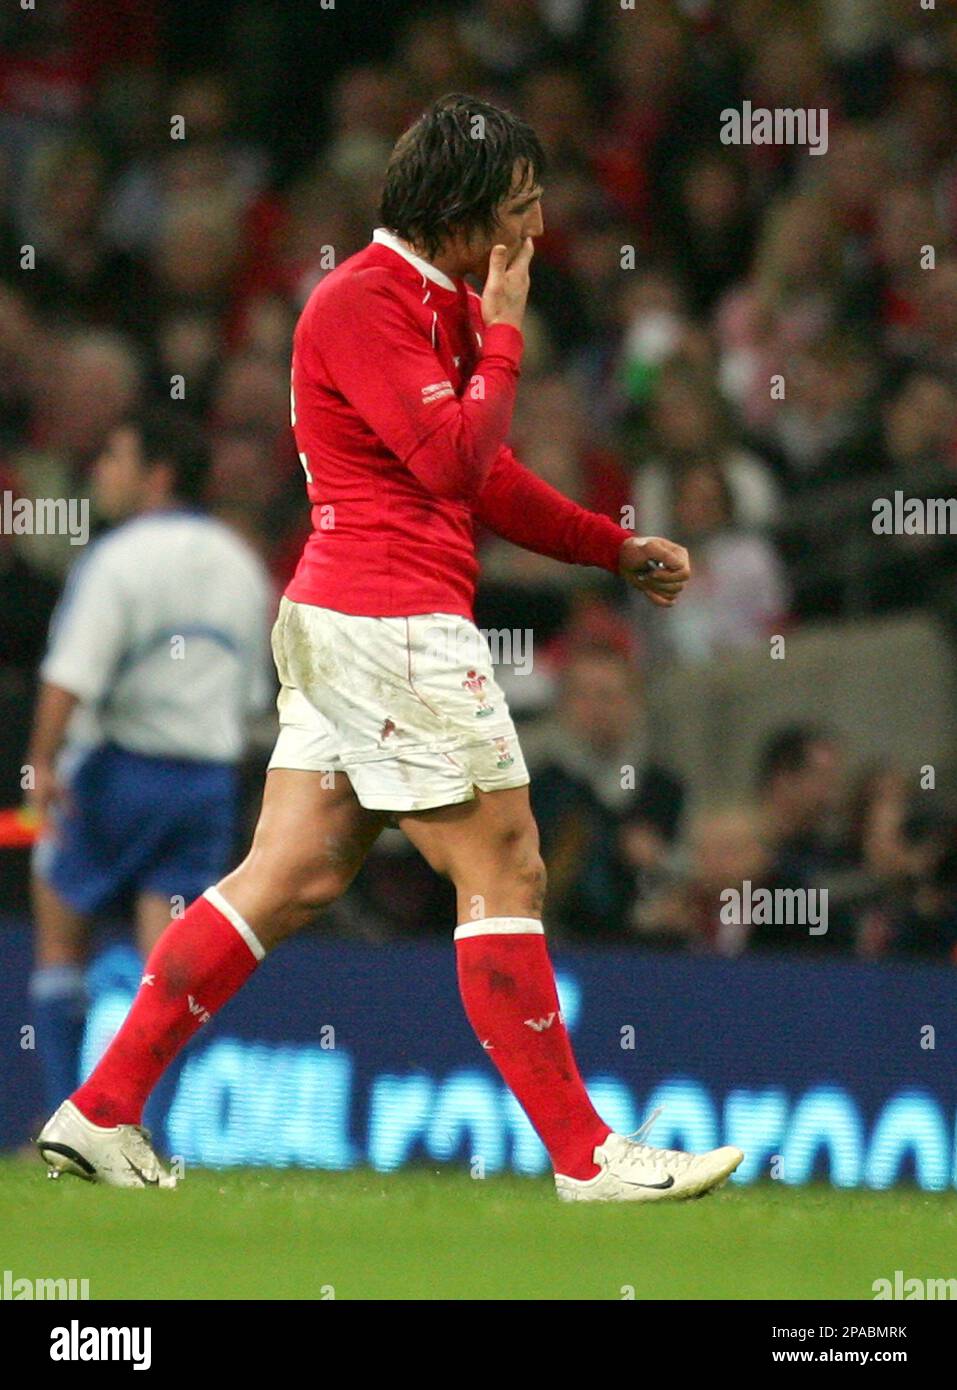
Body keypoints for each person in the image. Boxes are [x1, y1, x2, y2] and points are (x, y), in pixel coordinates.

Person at [37, 94, 742, 1201]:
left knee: (292, 870)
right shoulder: (360, 302)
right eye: (518, 207)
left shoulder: (434, 301)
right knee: (504, 860)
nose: (538, 228)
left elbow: (489, 475)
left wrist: (609, 547)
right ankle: (587, 1155)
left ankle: (102, 1107)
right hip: (387, 622)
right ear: (459, 213)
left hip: (358, 620)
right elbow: (454, 463)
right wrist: (505, 334)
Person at [27, 409, 273, 1120]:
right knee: (168, 966)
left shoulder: (118, 558)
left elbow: (70, 674)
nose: (102, 469)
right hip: (205, 783)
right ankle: (139, 1127)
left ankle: (59, 1115)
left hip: (116, 773)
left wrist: (41, 761)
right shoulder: (239, 565)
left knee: (60, 931)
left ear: (156, 475)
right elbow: (254, 692)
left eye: (115, 454)